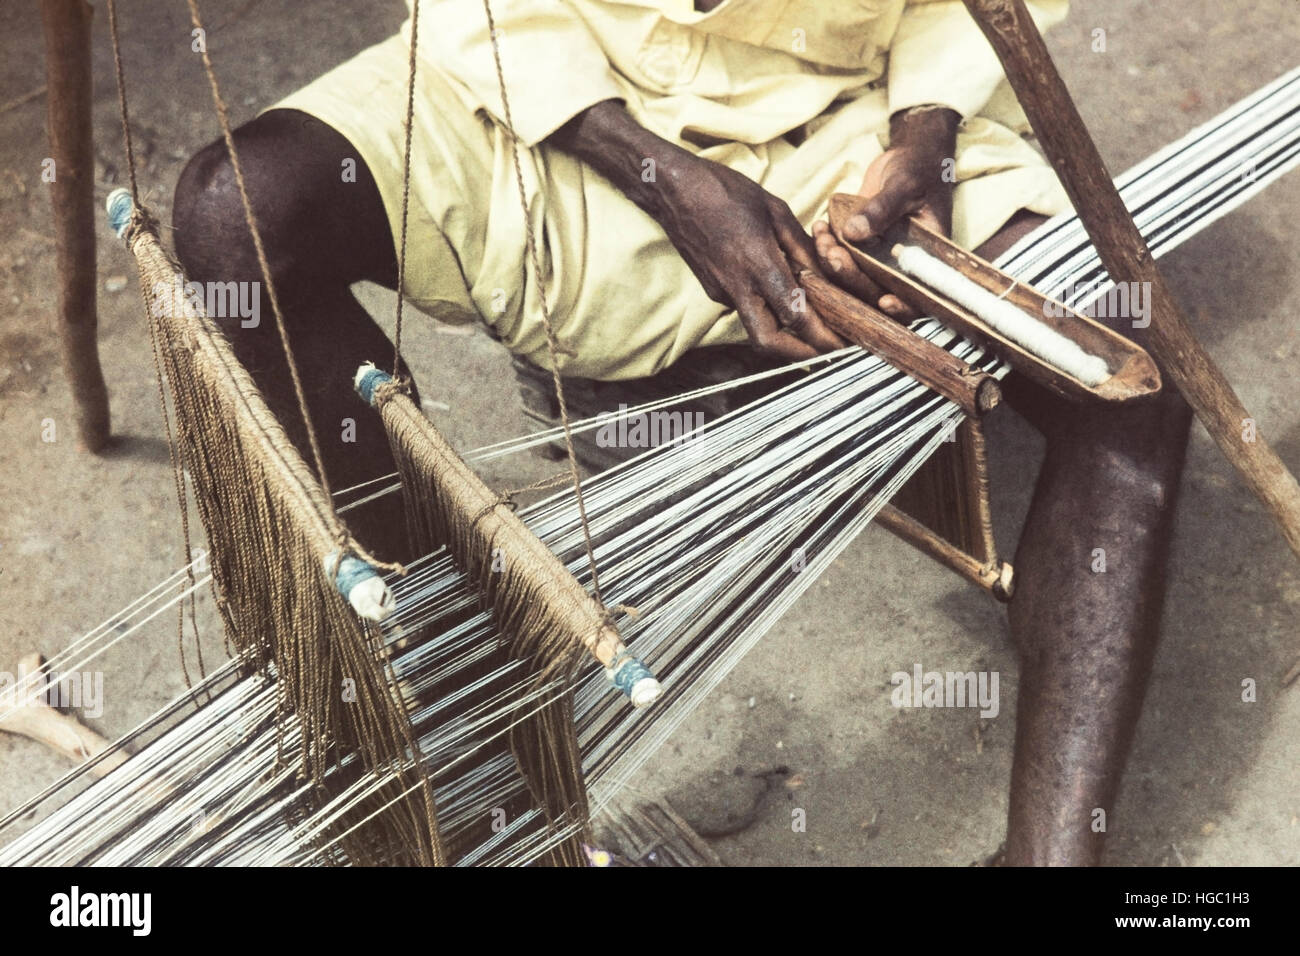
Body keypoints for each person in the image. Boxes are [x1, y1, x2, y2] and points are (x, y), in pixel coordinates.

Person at [173, 0, 1194, 865]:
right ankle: (448, 665)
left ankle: (1051, 858)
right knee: (238, 211)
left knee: (1128, 390)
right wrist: (657, 171)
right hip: (553, 85)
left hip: (839, 116)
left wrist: (922, 138)